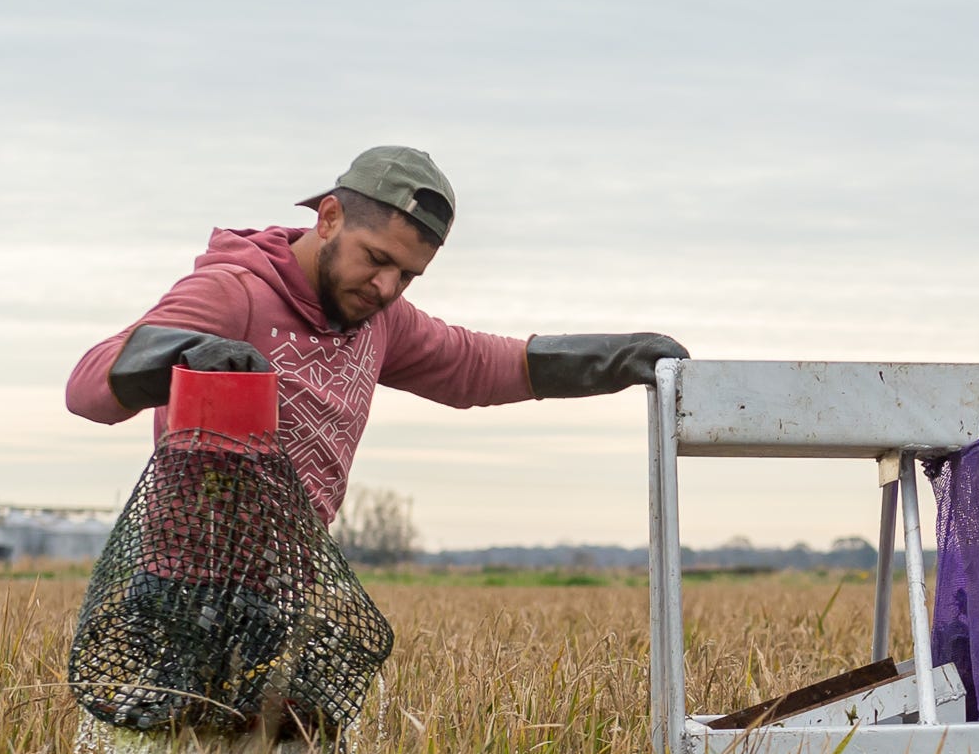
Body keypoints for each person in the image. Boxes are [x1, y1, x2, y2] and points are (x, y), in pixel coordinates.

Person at [65, 144, 687, 521]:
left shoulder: (379, 319)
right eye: (377, 259)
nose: (388, 287)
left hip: (295, 585)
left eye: (409, 275)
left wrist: (617, 359)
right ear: (330, 217)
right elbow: (87, 389)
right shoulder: (234, 292)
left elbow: (479, 366)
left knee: (302, 744)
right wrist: (187, 352)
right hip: (186, 582)